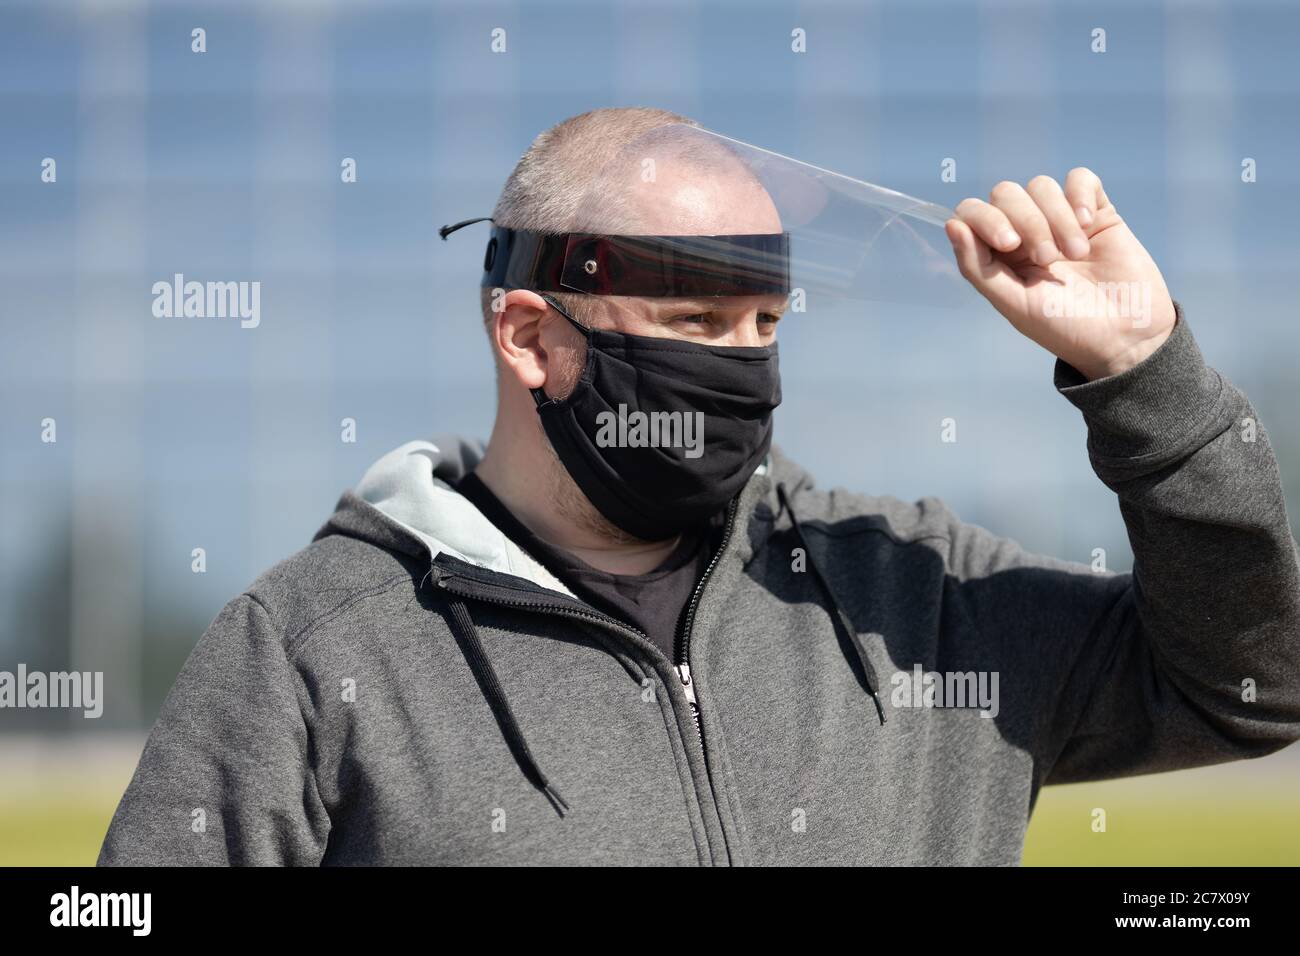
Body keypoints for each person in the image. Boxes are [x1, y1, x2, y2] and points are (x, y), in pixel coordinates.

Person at [99, 107, 1300, 866]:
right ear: (529, 335)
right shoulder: (309, 646)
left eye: (763, 318)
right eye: (690, 316)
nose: (738, 359)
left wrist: (1146, 378)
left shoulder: (919, 597)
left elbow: (1250, 686)